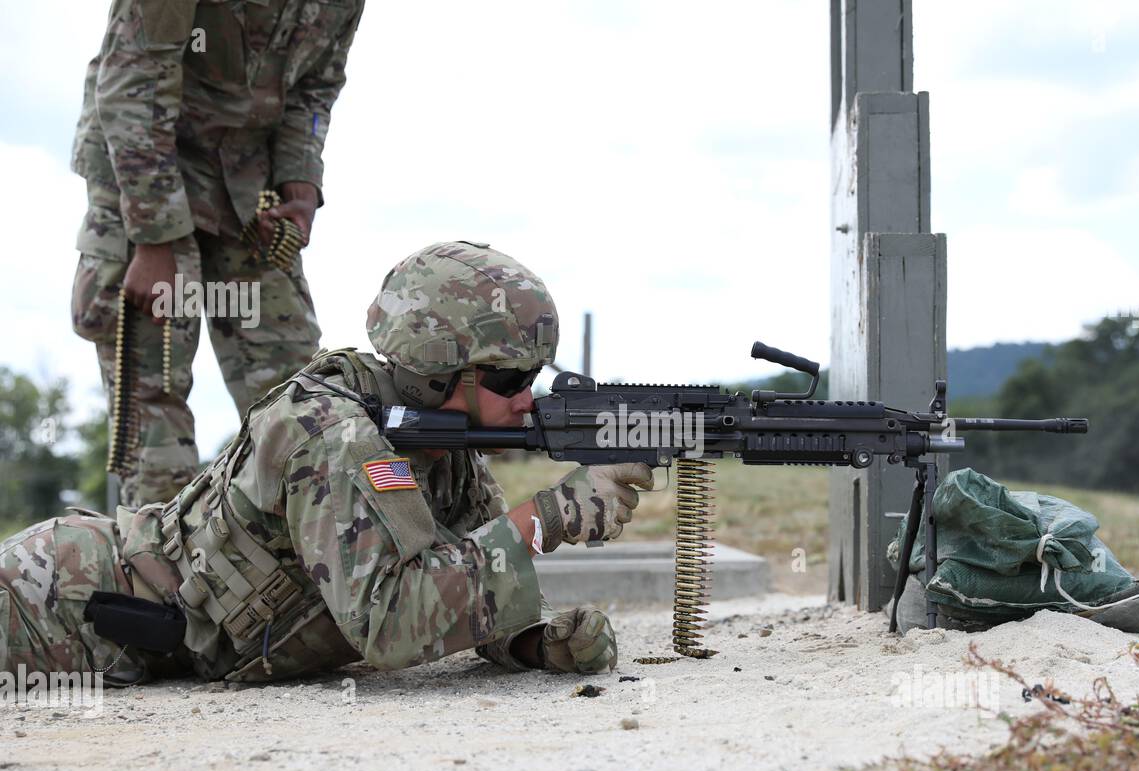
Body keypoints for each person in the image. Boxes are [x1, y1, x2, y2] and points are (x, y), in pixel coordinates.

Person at [1, 241, 653, 685]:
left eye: (534, 377)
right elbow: (392, 624)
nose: (525, 400)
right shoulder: (332, 433)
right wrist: (551, 516)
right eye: (510, 380)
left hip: (147, 637)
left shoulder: (438, 445)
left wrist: (532, 643)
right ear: (434, 370)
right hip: (61, 602)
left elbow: (458, 567)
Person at [70, 0, 365, 507]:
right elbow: (132, 80)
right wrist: (153, 238)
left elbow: (316, 88)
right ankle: (157, 575)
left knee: (299, 392)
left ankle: (304, 566)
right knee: (153, 392)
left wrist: (300, 184)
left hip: (247, 180)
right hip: (147, 172)